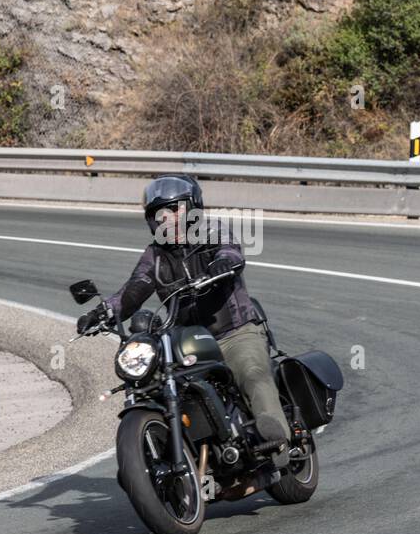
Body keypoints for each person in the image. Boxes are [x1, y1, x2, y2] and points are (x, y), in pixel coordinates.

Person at [78, 175, 291, 469]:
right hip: (185, 340)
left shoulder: (213, 232)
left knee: (253, 374)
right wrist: (103, 312)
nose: (167, 219)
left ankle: (276, 440)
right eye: (159, 214)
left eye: (174, 210)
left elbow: (230, 251)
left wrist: (222, 263)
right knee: (155, 383)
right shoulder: (155, 256)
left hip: (233, 333)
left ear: (192, 209)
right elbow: (134, 289)